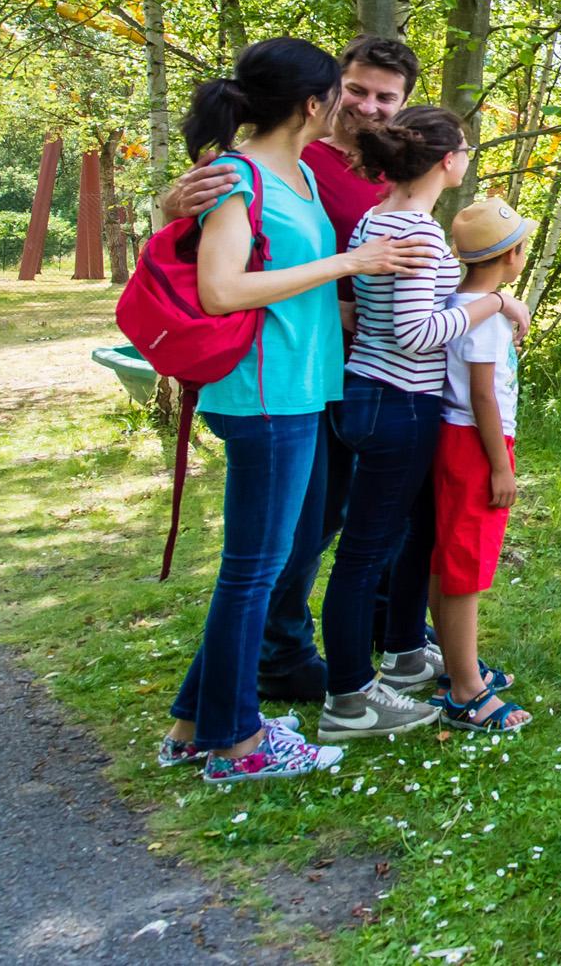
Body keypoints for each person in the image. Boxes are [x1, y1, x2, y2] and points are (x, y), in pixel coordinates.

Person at [156, 38, 426, 782]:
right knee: (253, 572)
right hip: (264, 395)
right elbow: (221, 289)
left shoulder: (301, 172)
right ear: (317, 101)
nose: (354, 105)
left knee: (268, 565)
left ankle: (190, 725)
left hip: (307, 391)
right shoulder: (240, 177)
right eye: (344, 92)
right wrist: (350, 263)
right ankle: (238, 744)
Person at [317, 107, 528, 741]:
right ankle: (349, 698)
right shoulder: (415, 231)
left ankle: (408, 652)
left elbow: (369, 313)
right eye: (463, 148)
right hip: (395, 403)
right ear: (446, 160)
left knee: (412, 539)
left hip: (385, 396)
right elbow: (415, 334)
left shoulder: (377, 219)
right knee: (364, 555)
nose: (467, 158)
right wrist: (493, 302)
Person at [432, 197, 536, 732]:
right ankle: (466, 689)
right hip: (477, 443)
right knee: (466, 569)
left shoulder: (463, 301)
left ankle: (457, 668)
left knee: (448, 559)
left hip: (459, 439)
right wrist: (501, 466)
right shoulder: (486, 322)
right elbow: (483, 397)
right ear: (512, 256)